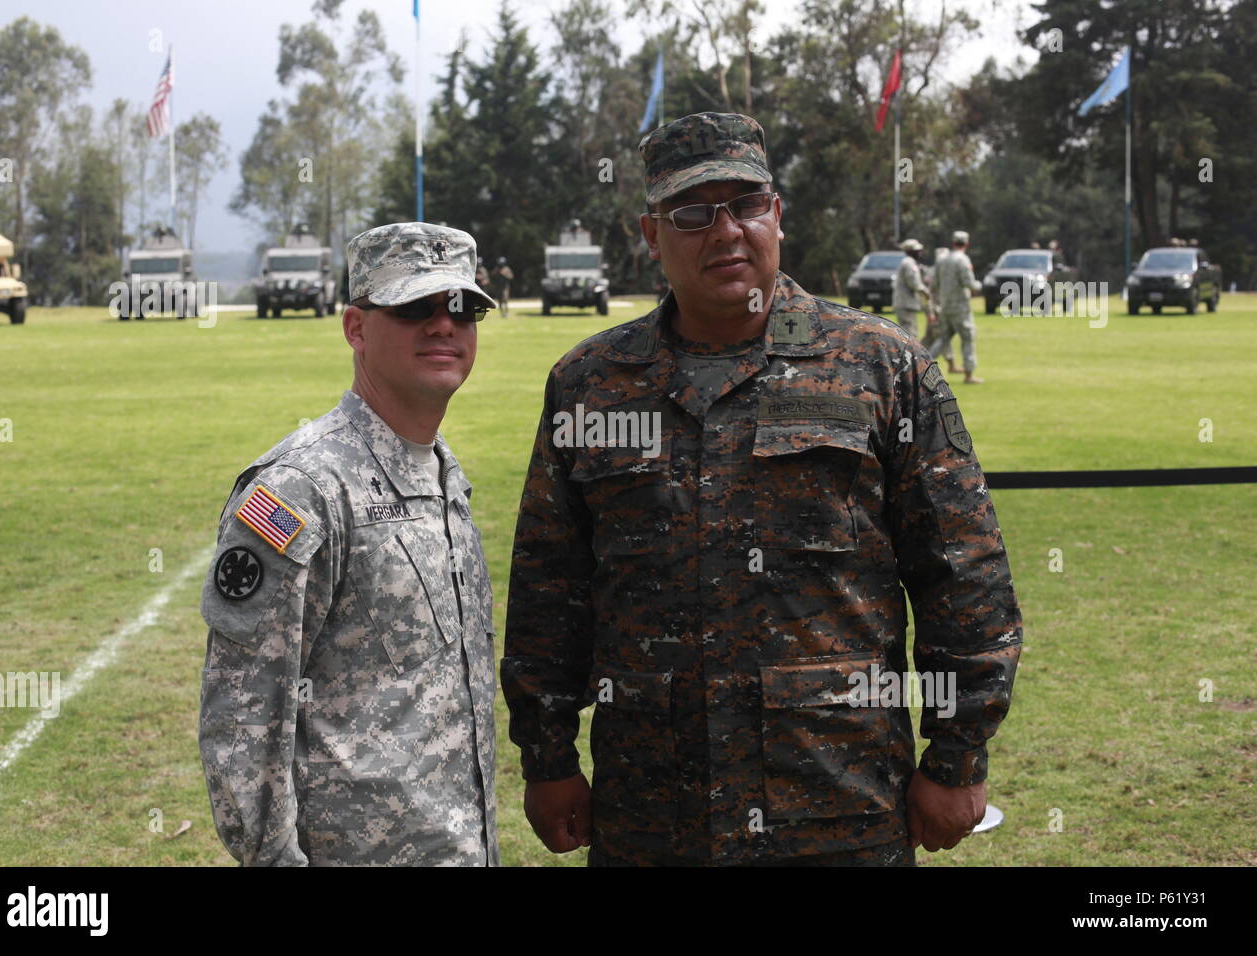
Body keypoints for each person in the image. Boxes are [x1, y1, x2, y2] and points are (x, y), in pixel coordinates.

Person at [501, 112, 1023, 867]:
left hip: (839, 807)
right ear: (652, 235)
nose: (725, 232)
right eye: (692, 213)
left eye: (745, 205)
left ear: (776, 214)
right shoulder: (591, 386)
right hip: (652, 817)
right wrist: (547, 757)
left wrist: (958, 757)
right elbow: (551, 588)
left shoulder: (882, 369)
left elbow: (963, 575)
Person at [198, 222, 500, 866]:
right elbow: (243, 719)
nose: (445, 325)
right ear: (356, 328)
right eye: (415, 306)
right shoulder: (300, 490)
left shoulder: (442, 472)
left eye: (463, 308)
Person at [928, 230, 984, 384]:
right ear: (966, 244)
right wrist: (978, 284)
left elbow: (934, 285)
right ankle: (969, 375)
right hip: (960, 307)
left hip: (945, 306)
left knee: (943, 339)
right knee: (968, 338)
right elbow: (969, 283)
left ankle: (923, 366)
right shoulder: (963, 260)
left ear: (953, 243)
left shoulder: (942, 260)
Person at [921, 247, 958, 373]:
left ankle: (917, 360)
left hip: (941, 310)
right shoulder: (933, 273)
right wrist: (930, 312)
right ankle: (948, 365)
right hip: (936, 311)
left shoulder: (945, 273)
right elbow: (927, 295)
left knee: (928, 338)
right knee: (943, 337)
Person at [893, 238, 934, 337]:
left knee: (909, 334)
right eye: (917, 250)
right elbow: (914, 283)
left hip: (905, 304)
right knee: (909, 336)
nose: (920, 252)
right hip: (905, 304)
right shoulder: (909, 263)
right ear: (910, 251)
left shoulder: (909, 262)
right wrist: (926, 291)